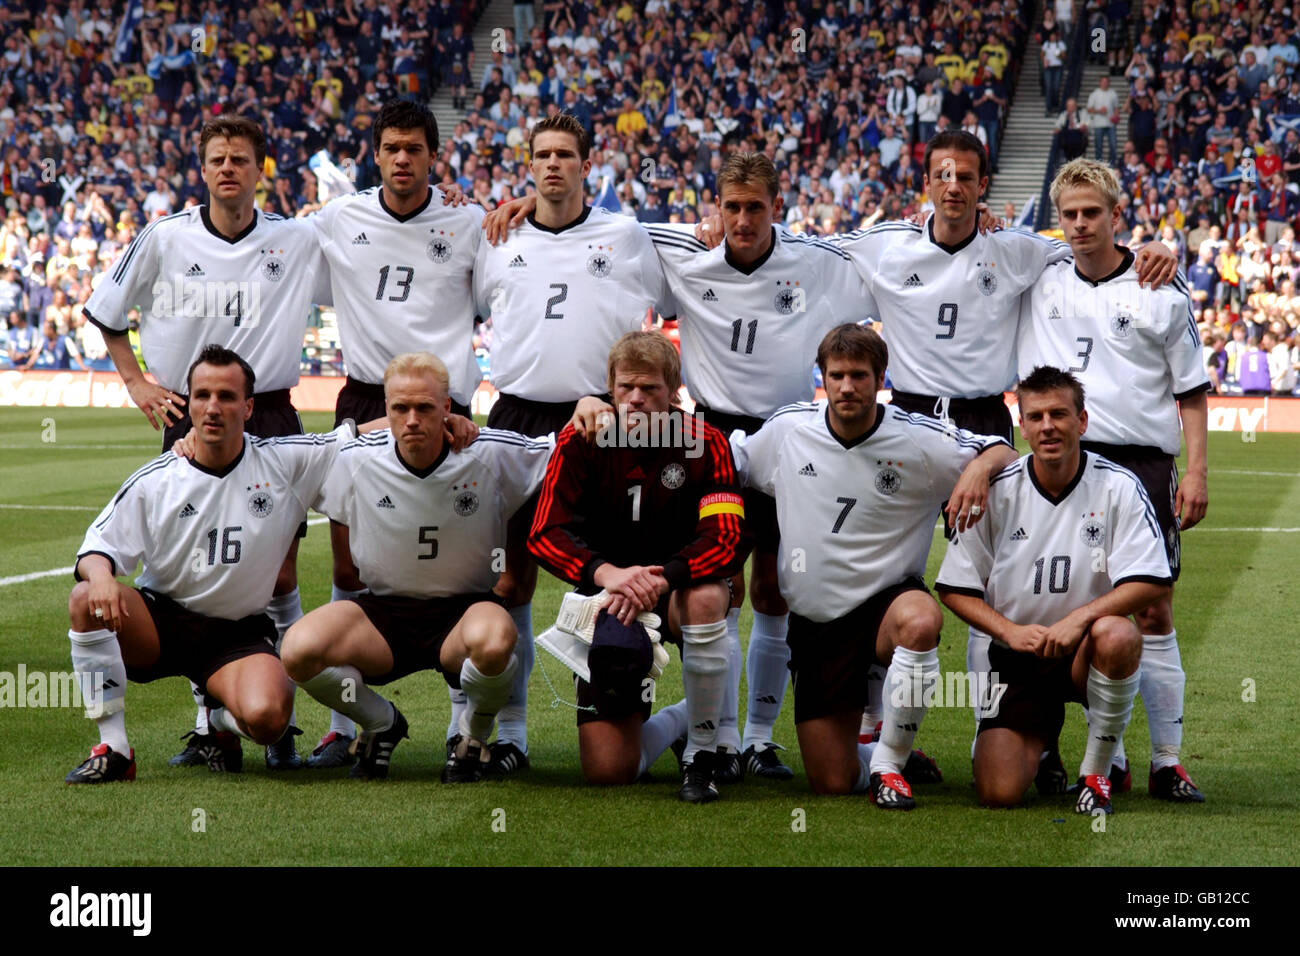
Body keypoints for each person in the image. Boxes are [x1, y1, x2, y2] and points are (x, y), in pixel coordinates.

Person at [83, 114, 328, 770]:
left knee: (275, 568)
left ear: (259, 170)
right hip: (193, 413)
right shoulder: (164, 237)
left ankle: (279, 722)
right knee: (190, 563)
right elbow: (106, 311)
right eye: (218, 158)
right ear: (203, 167)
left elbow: (375, 232)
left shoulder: (297, 238)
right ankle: (209, 723)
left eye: (241, 159)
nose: (228, 168)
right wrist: (136, 382)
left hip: (270, 412)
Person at [730, 324, 1016, 807]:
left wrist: (977, 467)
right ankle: (873, 758)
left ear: (881, 377)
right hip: (817, 619)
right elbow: (726, 458)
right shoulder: (788, 429)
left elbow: (1003, 451)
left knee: (921, 620)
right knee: (832, 781)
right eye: (837, 375)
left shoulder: (917, 438)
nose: (847, 387)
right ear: (821, 377)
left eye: (859, 376)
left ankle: (889, 764)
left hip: (886, 604)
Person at [471, 113, 673, 774]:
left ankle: (669, 719)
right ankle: (512, 735)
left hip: (602, 426)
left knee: (616, 577)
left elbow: (681, 296)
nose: (553, 164)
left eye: (565, 155)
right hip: (515, 420)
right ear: (529, 165)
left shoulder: (626, 235)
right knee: (509, 580)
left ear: (588, 164)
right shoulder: (496, 236)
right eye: (543, 155)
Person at [64, 346, 355, 783]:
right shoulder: (158, 478)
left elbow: (355, 437)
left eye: (226, 396)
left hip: (236, 633)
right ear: (190, 402)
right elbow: (95, 549)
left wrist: (437, 423)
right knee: (86, 598)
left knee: (269, 718)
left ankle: (217, 721)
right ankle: (115, 749)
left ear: (249, 406)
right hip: (161, 623)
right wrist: (103, 575)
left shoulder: (284, 462)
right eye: (201, 395)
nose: (212, 407)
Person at [1018, 158, 1209, 802]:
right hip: (1067, 463)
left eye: (1091, 213)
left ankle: (1167, 759)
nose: (1079, 224)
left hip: (1143, 464)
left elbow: (1191, 392)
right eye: (1069, 214)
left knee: (1150, 606)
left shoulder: (1161, 288)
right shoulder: (1041, 276)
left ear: (1116, 216)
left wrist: (1198, 470)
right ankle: (1113, 754)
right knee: (1075, 602)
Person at [307, 99, 484, 768]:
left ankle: (465, 724)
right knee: (348, 564)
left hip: (445, 404)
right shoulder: (336, 219)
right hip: (362, 398)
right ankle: (345, 723)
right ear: (375, 156)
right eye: (391, 148)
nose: (403, 158)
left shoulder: (471, 225)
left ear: (433, 155)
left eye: (414, 147)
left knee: (463, 561)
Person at [281, 352, 553, 781]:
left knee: (498, 638)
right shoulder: (355, 459)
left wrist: (592, 411)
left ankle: (472, 736)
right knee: (297, 650)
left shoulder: (490, 453)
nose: (411, 420)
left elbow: (559, 452)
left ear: (448, 409)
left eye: (425, 408)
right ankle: (381, 723)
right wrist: (190, 448)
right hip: (382, 618)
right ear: (385, 410)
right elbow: (269, 459)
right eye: (399, 408)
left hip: (462, 615)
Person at [936, 366, 1171, 813]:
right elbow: (954, 589)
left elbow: (1151, 579)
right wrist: (1009, 632)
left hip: (1085, 650)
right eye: (1037, 416)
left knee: (1119, 635)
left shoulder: (1119, 486)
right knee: (998, 793)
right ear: (1021, 426)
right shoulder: (997, 491)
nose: (1048, 426)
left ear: (1082, 421)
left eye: (1060, 415)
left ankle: (1096, 773)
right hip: (1017, 651)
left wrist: (1079, 620)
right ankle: (1043, 740)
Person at [528, 332, 748, 802]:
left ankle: (702, 755)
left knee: (711, 596)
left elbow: (725, 537)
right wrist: (609, 575)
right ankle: (686, 718)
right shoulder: (582, 438)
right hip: (608, 597)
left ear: (674, 390)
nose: (637, 398)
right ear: (610, 387)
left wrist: (661, 576)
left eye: (649, 388)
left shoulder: (705, 442)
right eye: (626, 386)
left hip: (675, 588)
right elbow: (545, 532)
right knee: (609, 771)